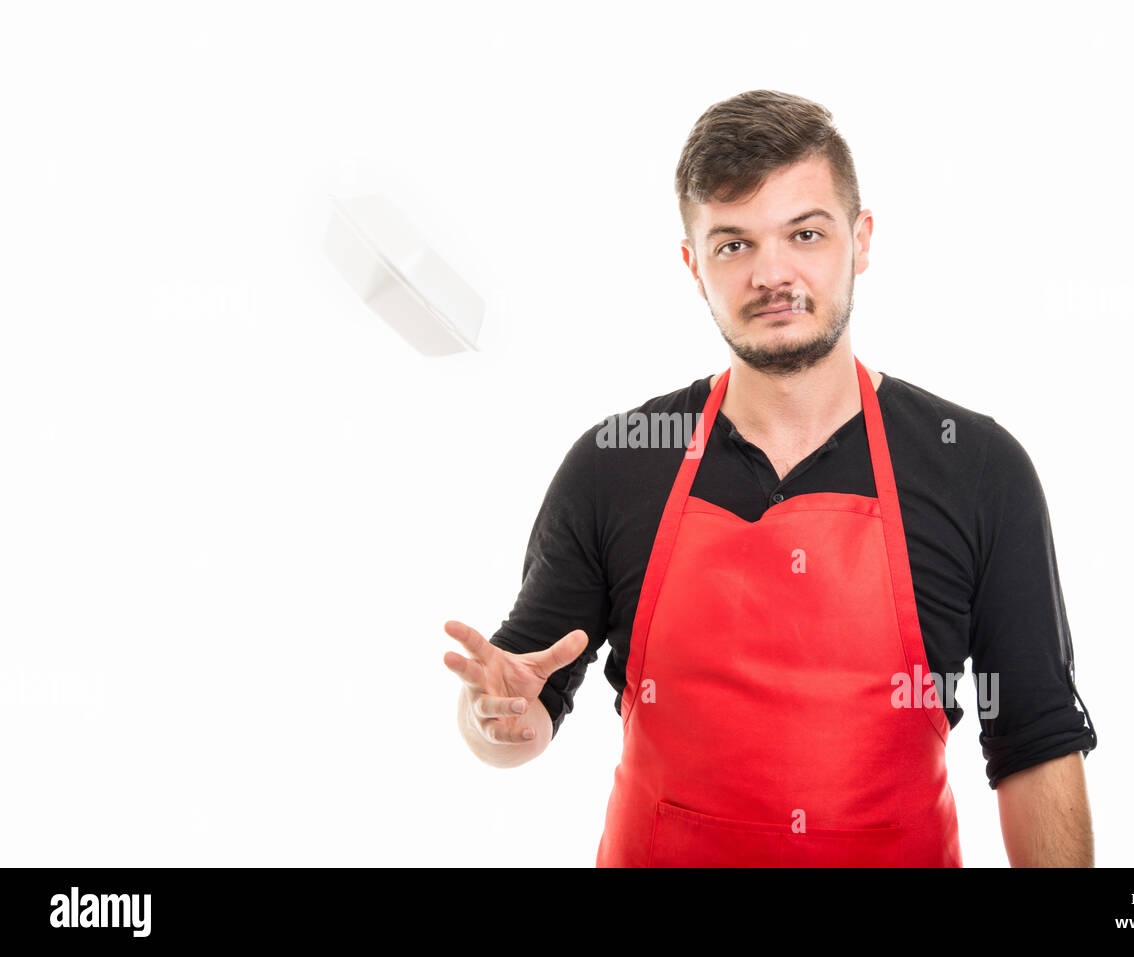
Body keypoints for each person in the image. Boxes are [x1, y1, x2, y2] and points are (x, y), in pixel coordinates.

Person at [443, 89, 1096, 867]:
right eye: (733, 245)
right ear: (693, 265)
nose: (771, 272)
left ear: (861, 240)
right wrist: (496, 721)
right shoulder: (618, 462)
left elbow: (1036, 741)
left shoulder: (978, 469)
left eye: (805, 233)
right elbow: (522, 703)